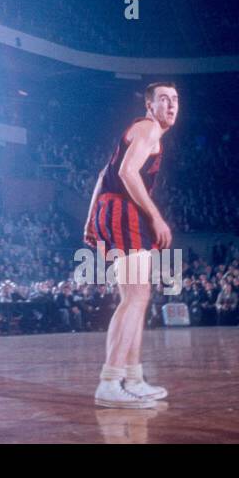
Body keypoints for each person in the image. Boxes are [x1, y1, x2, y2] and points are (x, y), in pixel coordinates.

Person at [83, 82, 178, 408]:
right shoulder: (148, 127)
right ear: (149, 105)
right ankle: (109, 382)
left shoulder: (144, 131)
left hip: (114, 208)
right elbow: (126, 172)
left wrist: (89, 218)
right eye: (163, 99)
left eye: (175, 99)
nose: (171, 104)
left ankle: (133, 378)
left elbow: (102, 174)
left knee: (138, 296)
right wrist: (157, 217)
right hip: (125, 210)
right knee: (135, 297)